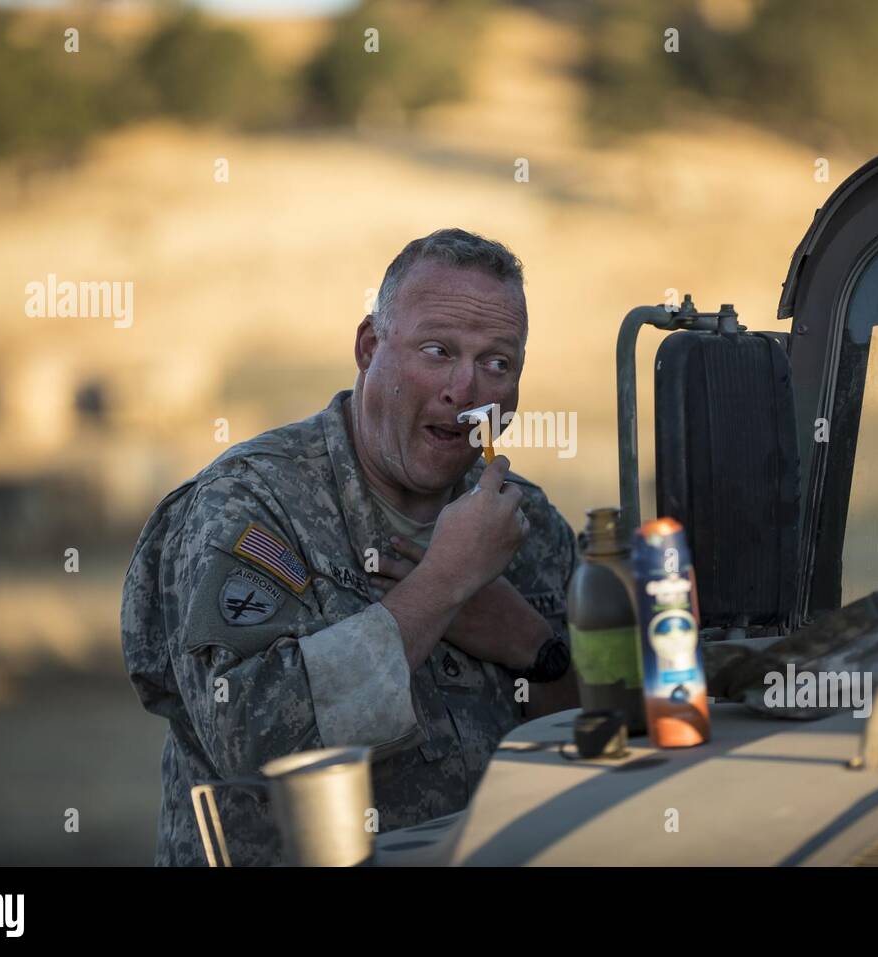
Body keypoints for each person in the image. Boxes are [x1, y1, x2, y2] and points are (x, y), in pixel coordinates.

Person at [121, 228, 579, 866]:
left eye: (497, 363)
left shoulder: (525, 524)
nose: (466, 389)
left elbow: (608, 729)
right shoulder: (250, 504)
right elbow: (251, 740)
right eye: (438, 351)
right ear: (370, 347)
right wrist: (442, 586)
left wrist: (534, 646)